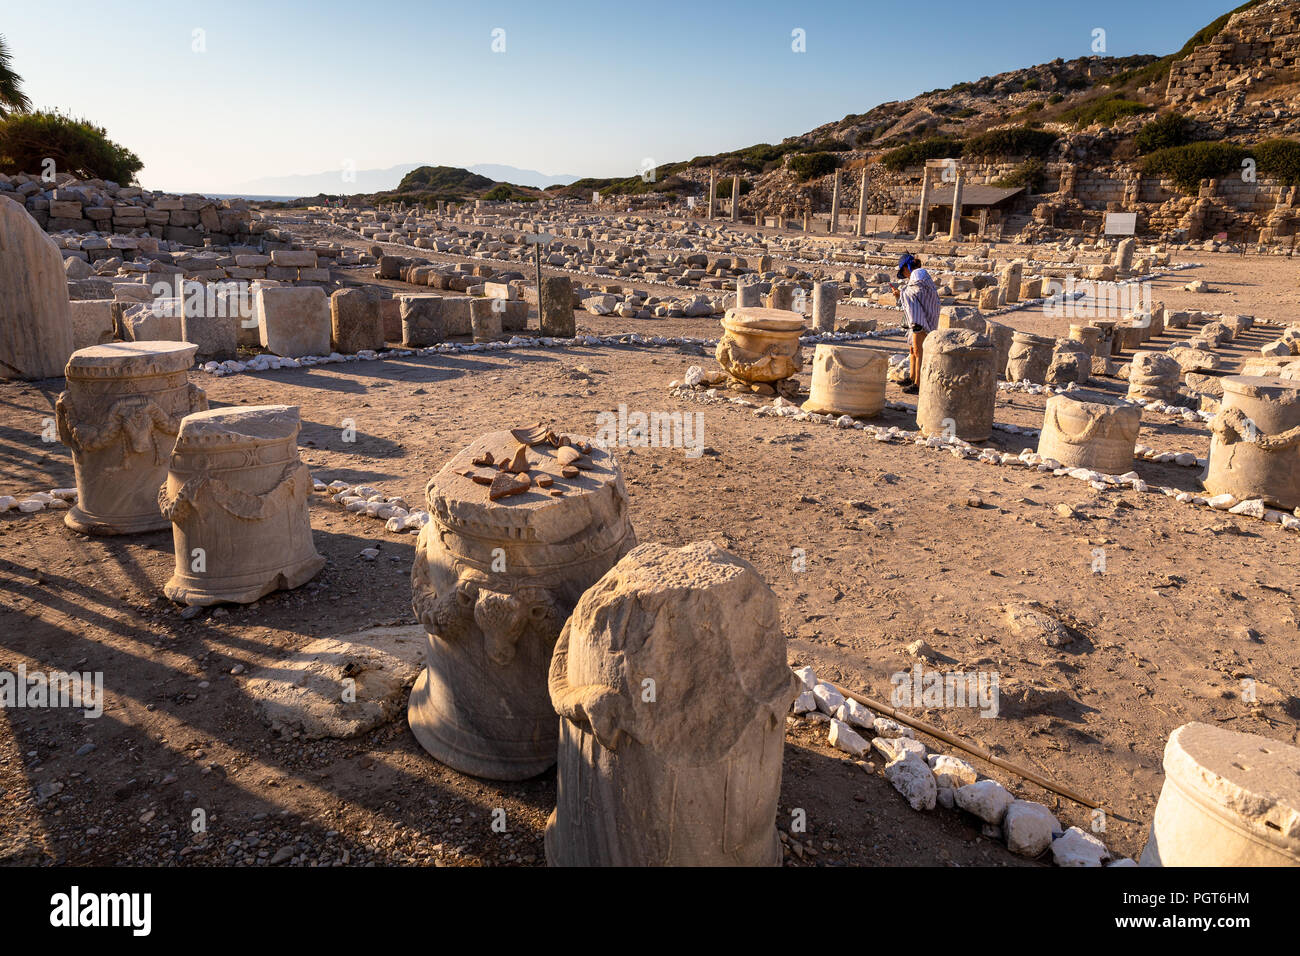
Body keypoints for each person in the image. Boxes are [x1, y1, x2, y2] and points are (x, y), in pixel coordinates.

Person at [891, 253, 940, 394]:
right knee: (913, 349)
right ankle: (912, 377)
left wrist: (903, 292)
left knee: (918, 350)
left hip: (924, 316)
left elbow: (917, 290)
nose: (904, 274)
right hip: (918, 316)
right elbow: (914, 294)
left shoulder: (919, 273)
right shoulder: (913, 278)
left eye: (903, 271)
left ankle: (918, 384)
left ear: (907, 267)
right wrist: (900, 295)